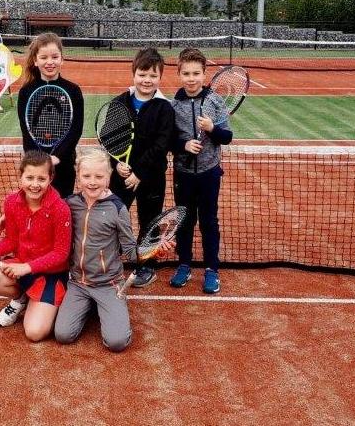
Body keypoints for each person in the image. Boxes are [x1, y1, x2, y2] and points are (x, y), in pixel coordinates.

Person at [0, 150, 72, 341]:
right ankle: (21, 299)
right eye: (29, 178)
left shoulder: (61, 209)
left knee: (35, 333)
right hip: (21, 264)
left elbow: (61, 254)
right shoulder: (10, 202)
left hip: (50, 273)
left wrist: (26, 268)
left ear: (51, 178)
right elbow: (11, 241)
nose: (35, 184)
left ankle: (47, 302)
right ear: (21, 177)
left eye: (41, 178)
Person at [55, 148, 137, 352]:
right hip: (77, 283)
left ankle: (112, 306)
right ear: (78, 176)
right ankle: (91, 306)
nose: (92, 181)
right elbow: (44, 212)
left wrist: (154, 251)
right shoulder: (69, 204)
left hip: (108, 284)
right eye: (86, 176)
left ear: (108, 178)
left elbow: (130, 249)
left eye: (99, 176)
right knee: (63, 335)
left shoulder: (118, 208)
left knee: (117, 343)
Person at [106, 48, 175, 289]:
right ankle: (109, 261)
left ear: (160, 77)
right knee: (113, 216)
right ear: (134, 73)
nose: (147, 80)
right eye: (142, 74)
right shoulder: (118, 103)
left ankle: (145, 266)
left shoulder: (165, 108)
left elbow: (162, 144)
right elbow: (110, 137)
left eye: (153, 76)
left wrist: (140, 173)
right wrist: (117, 164)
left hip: (151, 176)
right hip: (121, 175)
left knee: (150, 220)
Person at [169, 48, 233, 294]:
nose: (191, 78)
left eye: (196, 73)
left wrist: (212, 128)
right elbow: (168, 140)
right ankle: (184, 264)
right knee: (184, 221)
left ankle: (211, 269)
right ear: (179, 74)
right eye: (186, 73)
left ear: (204, 74)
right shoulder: (173, 106)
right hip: (183, 174)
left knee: (209, 221)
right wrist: (183, 146)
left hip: (209, 173)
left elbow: (227, 137)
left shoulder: (215, 101)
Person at [16, 32, 85, 198]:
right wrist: (37, 160)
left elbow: (75, 129)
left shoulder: (73, 91)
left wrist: (57, 157)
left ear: (62, 59)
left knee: (61, 208)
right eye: (44, 57)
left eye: (55, 57)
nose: (49, 62)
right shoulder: (26, 92)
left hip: (64, 164)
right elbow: (27, 130)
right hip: (36, 166)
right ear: (35, 60)